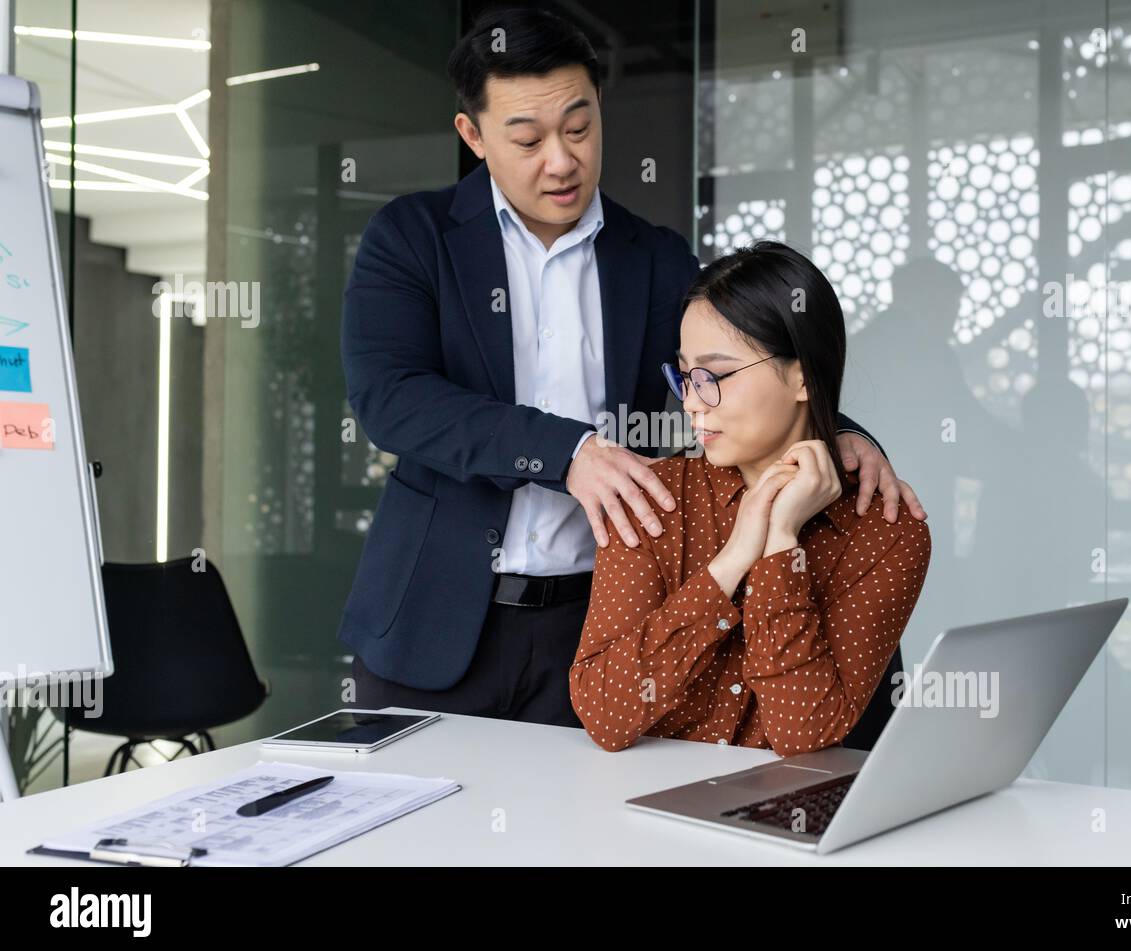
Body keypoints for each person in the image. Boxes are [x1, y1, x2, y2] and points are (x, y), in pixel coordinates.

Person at [338, 8, 925, 727]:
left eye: (579, 128)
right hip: (433, 623)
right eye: (528, 139)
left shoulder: (655, 258)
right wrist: (568, 453)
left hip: (595, 628)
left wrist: (840, 433)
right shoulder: (413, 237)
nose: (562, 161)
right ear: (474, 135)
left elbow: (735, 372)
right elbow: (390, 398)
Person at [570, 242, 932, 755]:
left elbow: (802, 734)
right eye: (685, 376)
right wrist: (732, 561)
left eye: (714, 376)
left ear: (802, 376)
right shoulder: (652, 499)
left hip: (796, 804)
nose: (691, 403)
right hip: (650, 801)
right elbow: (604, 714)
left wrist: (780, 543)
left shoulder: (887, 531)